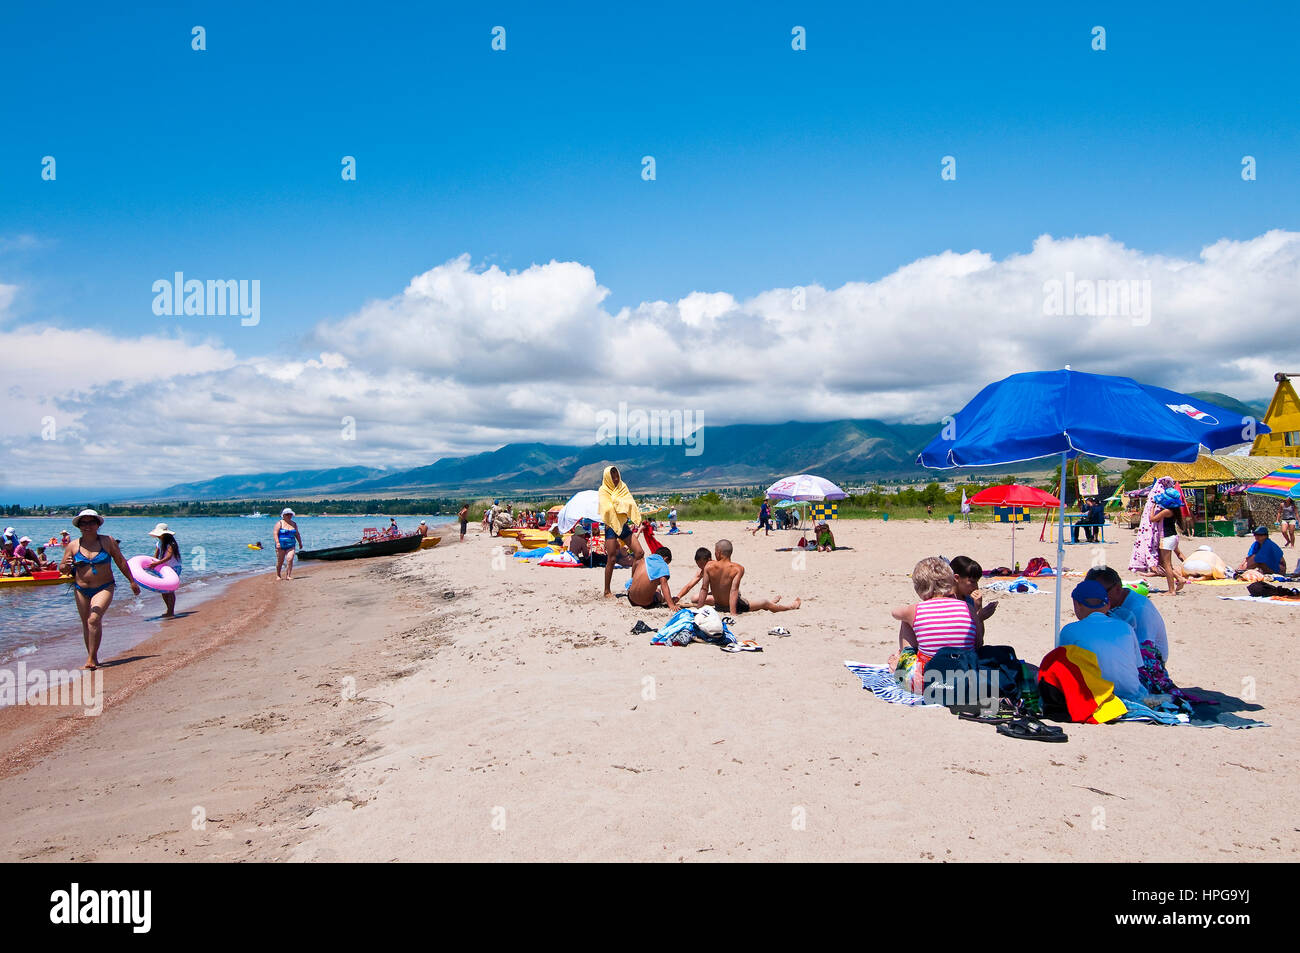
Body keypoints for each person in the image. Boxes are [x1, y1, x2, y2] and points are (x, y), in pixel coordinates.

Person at [58, 509, 140, 670]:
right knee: (85, 623)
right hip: (81, 589)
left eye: (91, 522)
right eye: (83, 523)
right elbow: (62, 569)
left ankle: (91, 658)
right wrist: (65, 566)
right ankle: (93, 656)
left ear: (97, 524)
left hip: (105, 586)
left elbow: (121, 561)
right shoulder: (73, 545)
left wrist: (132, 581)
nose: (87, 526)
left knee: (93, 619)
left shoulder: (107, 541)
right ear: (79, 526)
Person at [1057, 579, 1143, 700]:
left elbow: (1061, 667)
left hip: (1094, 695)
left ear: (1076, 604)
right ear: (1108, 604)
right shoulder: (1126, 628)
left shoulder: (1070, 631)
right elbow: (1138, 665)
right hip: (1130, 691)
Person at [891, 556, 978, 656]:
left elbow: (894, 613)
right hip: (966, 665)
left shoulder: (915, 610)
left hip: (930, 669)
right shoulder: (967, 607)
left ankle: (905, 662)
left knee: (906, 620)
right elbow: (978, 643)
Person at [1085, 565, 1169, 662]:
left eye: (1099, 594)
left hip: (1150, 663)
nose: (1094, 598)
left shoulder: (1139, 610)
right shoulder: (1110, 602)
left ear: (1117, 589)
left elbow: (1145, 653)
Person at [700, 539, 800, 613]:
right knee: (764, 602)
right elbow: (733, 591)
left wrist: (699, 609)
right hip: (735, 606)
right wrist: (733, 613)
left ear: (718, 553)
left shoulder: (709, 566)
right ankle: (790, 606)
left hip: (718, 606)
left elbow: (704, 589)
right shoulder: (737, 569)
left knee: (750, 601)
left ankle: (772, 602)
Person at [600, 466, 641, 598]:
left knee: (639, 552)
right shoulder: (603, 490)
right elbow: (606, 509)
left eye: (616, 475)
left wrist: (617, 503)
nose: (616, 479)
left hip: (623, 525)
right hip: (610, 526)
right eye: (612, 476)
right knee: (611, 558)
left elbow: (630, 504)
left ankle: (632, 586)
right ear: (607, 477)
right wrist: (619, 503)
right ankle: (607, 590)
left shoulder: (623, 487)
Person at [948, 555, 997, 645]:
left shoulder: (969, 599)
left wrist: (978, 608)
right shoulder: (945, 599)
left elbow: (979, 641)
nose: (976, 587)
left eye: (977, 582)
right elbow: (958, 637)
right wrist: (979, 618)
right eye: (972, 581)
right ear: (957, 578)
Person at [625, 529, 676, 609]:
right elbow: (664, 585)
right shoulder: (662, 564)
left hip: (631, 598)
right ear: (665, 559)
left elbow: (632, 579)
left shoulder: (643, 560)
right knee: (658, 592)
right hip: (645, 603)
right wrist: (671, 605)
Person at [1149, 489, 1187, 594]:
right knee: (1163, 563)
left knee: (1167, 565)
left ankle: (1171, 590)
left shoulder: (1166, 511)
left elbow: (1152, 519)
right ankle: (1180, 579)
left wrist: (1152, 507)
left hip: (1167, 538)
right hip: (1173, 537)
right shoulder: (1174, 511)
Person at [147, 522, 182, 618]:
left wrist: (157, 563)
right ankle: (169, 610)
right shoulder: (159, 543)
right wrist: (152, 564)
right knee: (163, 590)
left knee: (169, 590)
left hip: (174, 568)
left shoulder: (171, 543)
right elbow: (155, 556)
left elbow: (168, 557)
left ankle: (171, 611)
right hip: (164, 568)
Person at [274, 508, 302, 580]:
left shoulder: (294, 524)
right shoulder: (279, 523)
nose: (289, 516)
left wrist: (300, 543)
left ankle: (288, 575)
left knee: (290, 559)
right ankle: (278, 575)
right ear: (283, 515)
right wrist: (277, 542)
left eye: (290, 514)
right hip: (281, 545)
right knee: (280, 561)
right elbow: (275, 533)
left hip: (291, 545)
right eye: (287, 514)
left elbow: (297, 534)